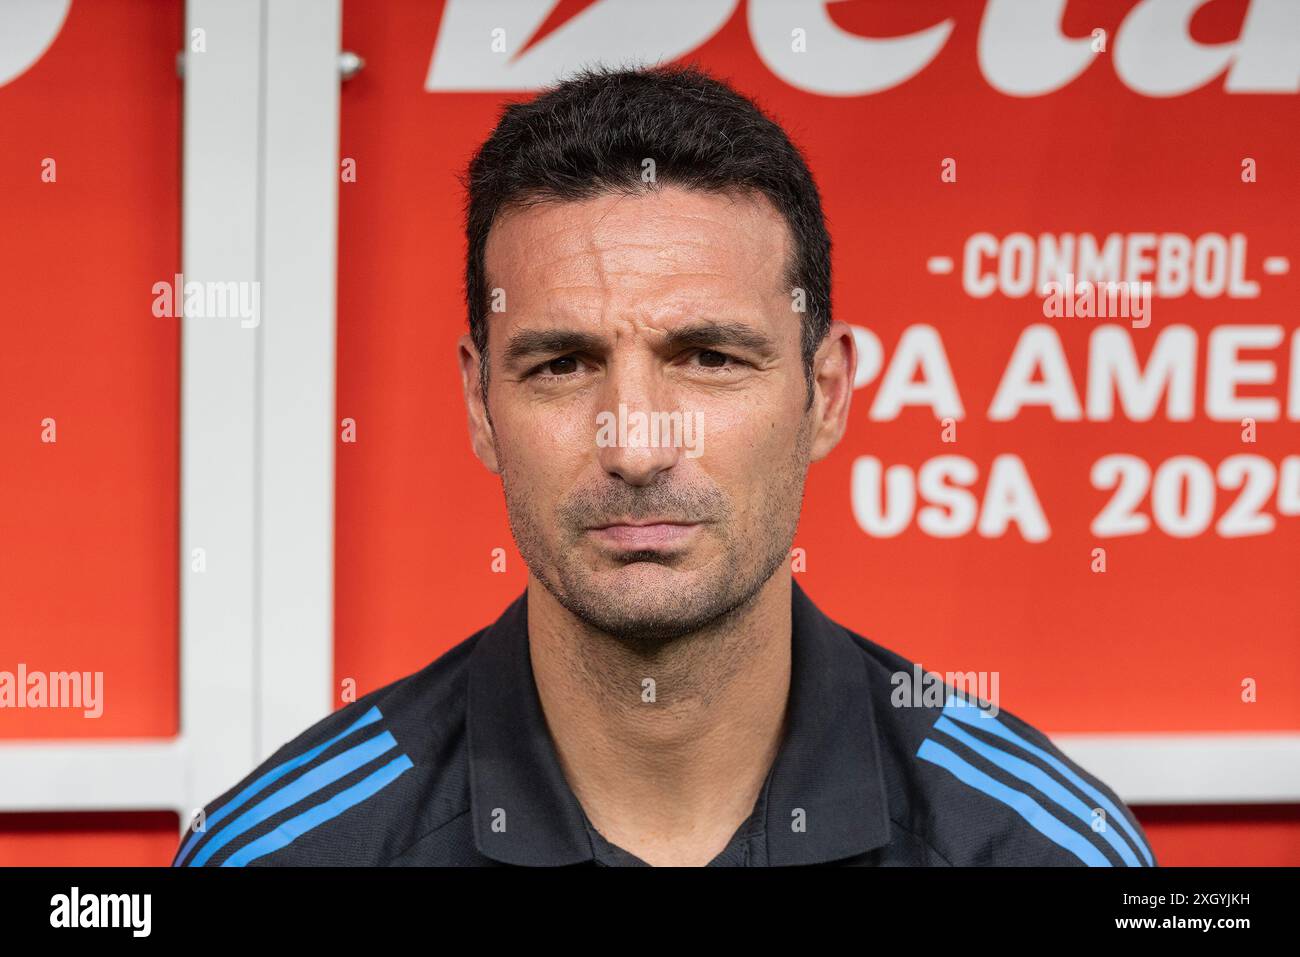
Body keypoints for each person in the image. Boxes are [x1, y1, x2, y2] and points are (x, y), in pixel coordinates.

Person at [172, 63, 1155, 868]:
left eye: (709, 359)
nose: (634, 447)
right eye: (563, 365)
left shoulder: (1038, 850)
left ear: (829, 391)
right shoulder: (281, 856)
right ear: (480, 405)